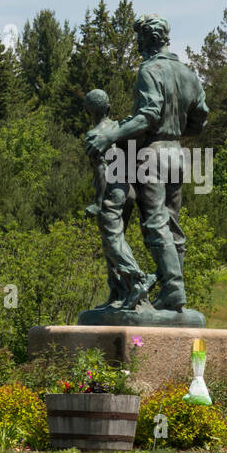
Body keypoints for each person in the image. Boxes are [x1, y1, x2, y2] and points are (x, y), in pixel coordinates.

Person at [84, 13, 208, 312]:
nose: (138, 45)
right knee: (172, 224)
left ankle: (173, 288)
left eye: (140, 39)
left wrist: (111, 134)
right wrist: (175, 131)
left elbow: (148, 115)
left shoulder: (150, 70)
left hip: (152, 152)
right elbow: (200, 119)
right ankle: (172, 290)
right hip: (178, 154)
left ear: (150, 39)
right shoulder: (189, 74)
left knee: (155, 223)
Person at [84, 89, 153, 310]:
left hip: (111, 191)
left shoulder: (95, 135)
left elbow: (103, 168)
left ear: (88, 112)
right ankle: (118, 293)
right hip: (129, 189)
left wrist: (98, 201)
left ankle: (137, 280)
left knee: (112, 242)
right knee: (114, 241)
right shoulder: (119, 128)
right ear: (108, 108)